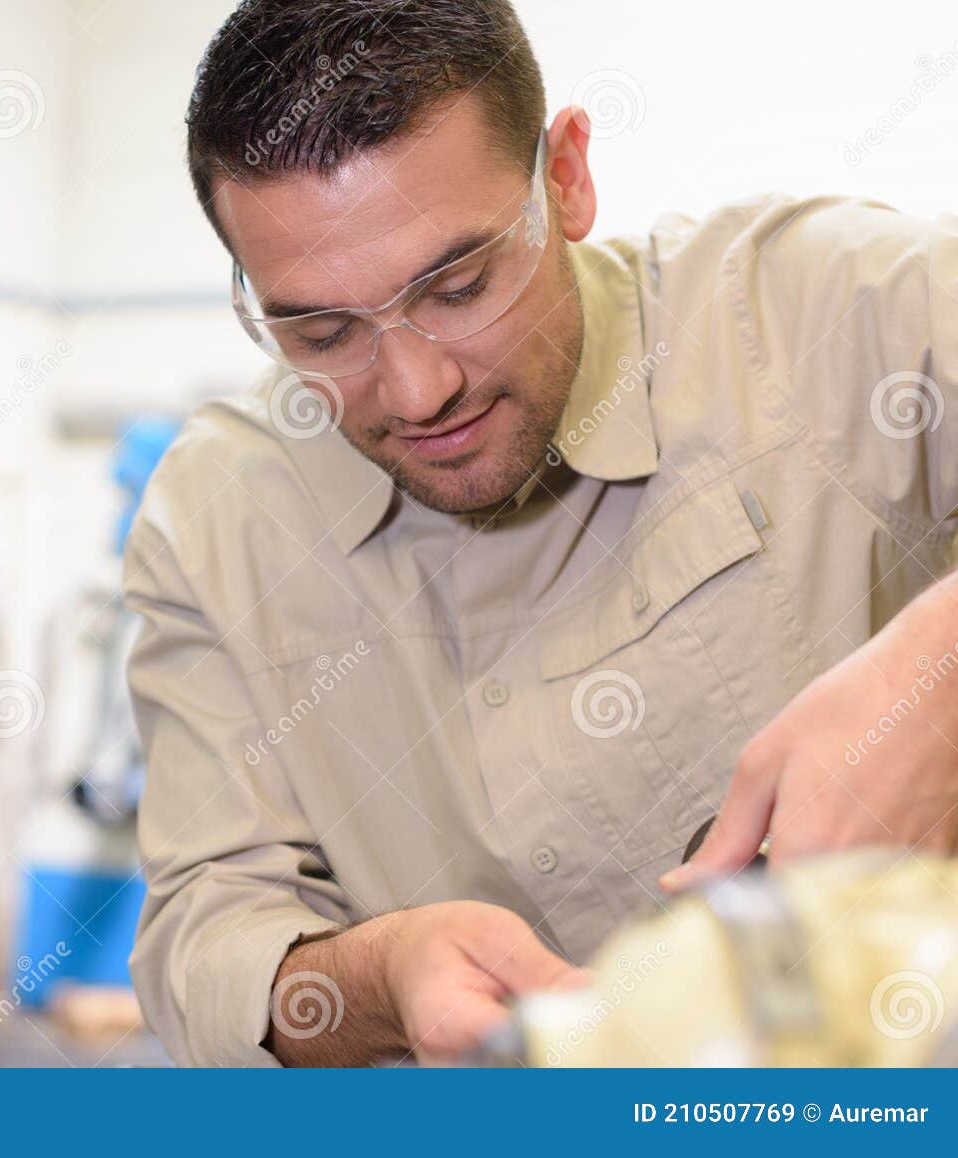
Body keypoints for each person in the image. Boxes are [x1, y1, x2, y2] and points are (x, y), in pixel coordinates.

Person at [124, 0, 957, 1066]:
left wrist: (935, 680)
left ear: (564, 176)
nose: (418, 390)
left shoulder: (821, 310)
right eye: (320, 331)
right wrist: (379, 979)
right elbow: (204, 934)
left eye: (461, 285)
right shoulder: (217, 516)